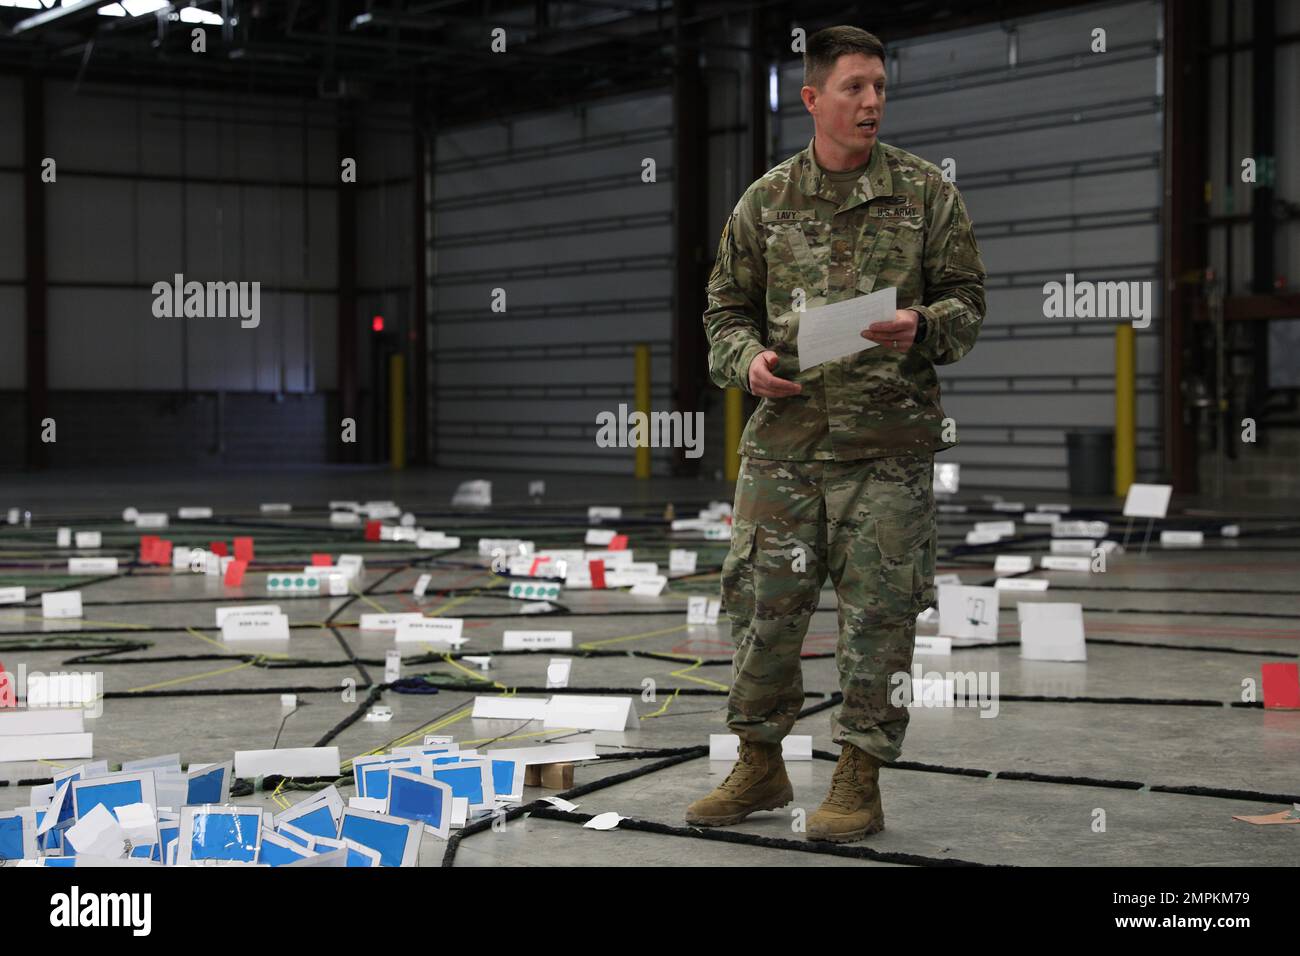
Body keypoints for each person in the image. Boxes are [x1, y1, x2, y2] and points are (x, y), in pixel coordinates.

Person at [687, 24, 986, 843]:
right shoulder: (766, 201)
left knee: (881, 619)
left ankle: (860, 778)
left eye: (881, 86)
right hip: (784, 448)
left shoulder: (927, 194)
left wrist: (921, 324)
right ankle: (758, 762)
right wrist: (746, 364)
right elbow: (722, 310)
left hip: (888, 453)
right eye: (854, 87)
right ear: (813, 98)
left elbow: (969, 307)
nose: (872, 102)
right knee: (762, 608)